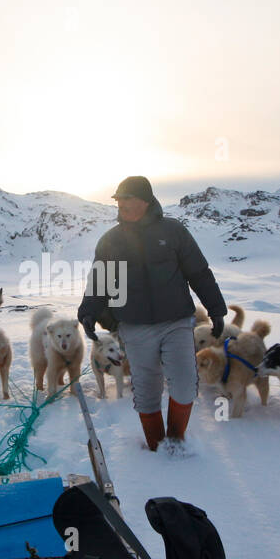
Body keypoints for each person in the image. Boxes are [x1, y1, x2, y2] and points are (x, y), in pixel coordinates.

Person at [77, 176, 227, 452]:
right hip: (133, 326)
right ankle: (156, 446)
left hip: (177, 322)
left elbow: (198, 273)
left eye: (127, 198)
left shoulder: (173, 232)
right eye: (118, 199)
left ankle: (177, 440)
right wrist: (88, 311)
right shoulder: (111, 241)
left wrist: (216, 309)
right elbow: (100, 282)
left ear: (145, 201)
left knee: (183, 385)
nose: (121, 203)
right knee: (146, 391)